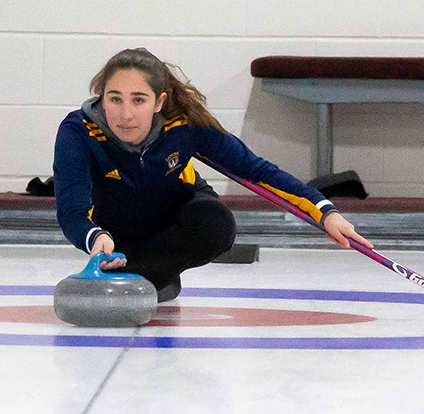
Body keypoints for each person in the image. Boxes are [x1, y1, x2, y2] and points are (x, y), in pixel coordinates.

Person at [52, 48, 370, 300]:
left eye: (138, 100)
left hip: (170, 219)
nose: (125, 114)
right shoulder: (78, 132)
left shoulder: (184, 127)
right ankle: (144, 273)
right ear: (100, 96)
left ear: (159, 102)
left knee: (216, 221)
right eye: (115, 99)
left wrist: (324, 212)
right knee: (111, 235)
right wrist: (95, 237)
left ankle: (134, 275)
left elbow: (256, 171)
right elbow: (72, 210)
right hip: (115, 230)